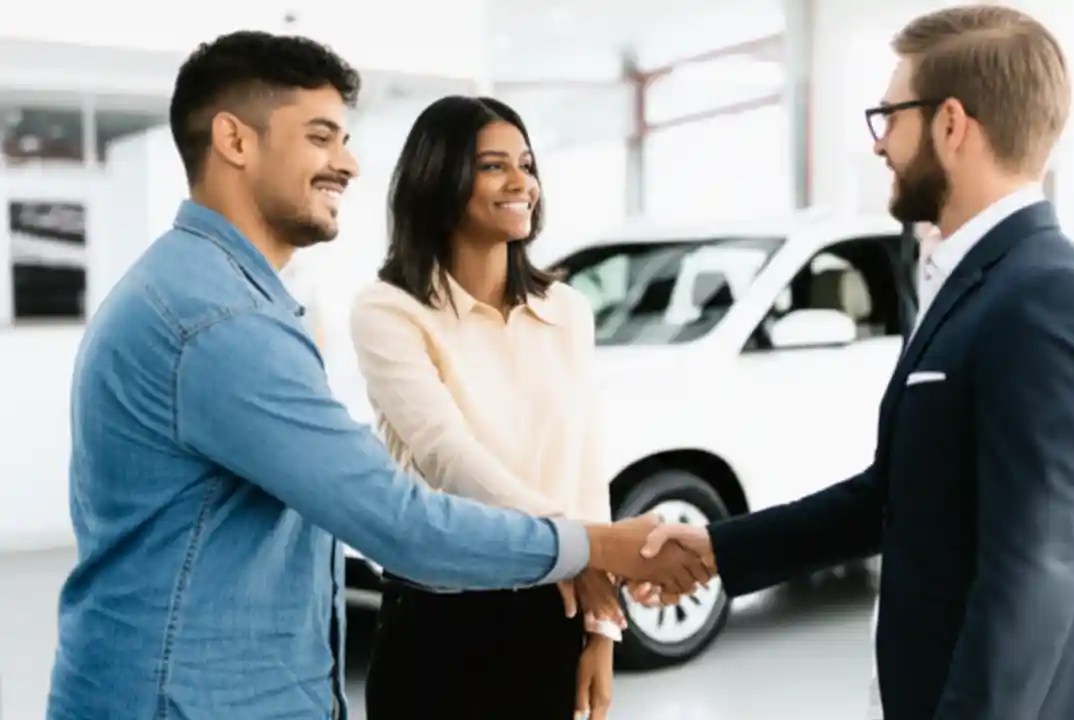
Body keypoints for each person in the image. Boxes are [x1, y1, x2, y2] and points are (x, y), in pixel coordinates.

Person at [46, 31, 708, 720]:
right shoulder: (218, 320)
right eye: (322, 137)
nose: (350, 164)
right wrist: (594, 545)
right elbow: (398, 520)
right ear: (235, 142)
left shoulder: (226, 298)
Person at [639, 5, 1074, 719]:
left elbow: (1035, 569)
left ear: (950, 125)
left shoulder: (1048, 298)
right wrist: (718, 550)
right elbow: (897, 495)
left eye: (889, 116)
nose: (879, 145)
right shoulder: (979, 279)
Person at [349, 95, 618, 719]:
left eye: (526, 163)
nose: (521, 181)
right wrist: (582, 548)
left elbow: (586, 468)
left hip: (553, 609)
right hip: (435, 621)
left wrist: (602, 629)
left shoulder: (566, 310)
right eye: (494, 165)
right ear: (438, 177)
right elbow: (450, 459)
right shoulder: (389, 311)